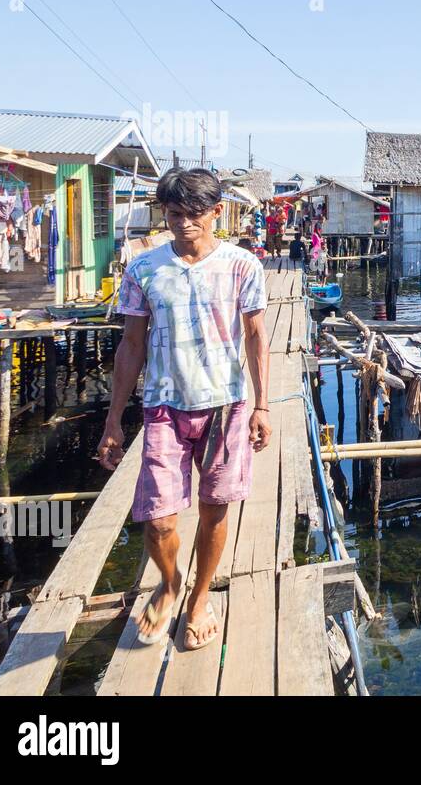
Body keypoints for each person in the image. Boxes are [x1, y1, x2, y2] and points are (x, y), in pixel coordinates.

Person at [97, 168, 271, 652]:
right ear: (165, 215)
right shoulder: (144, 269)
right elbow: (131, 345)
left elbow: (256, 335)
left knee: (215, 511)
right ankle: (170, 582)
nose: (185, 224)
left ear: (217, 212)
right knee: (159, 521)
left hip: (225, 406)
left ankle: (197, 598)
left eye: (195, 214)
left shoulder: (242, 266)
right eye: (175, 214)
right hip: (164, 408)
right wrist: (113, 421)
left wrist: (263, 405)